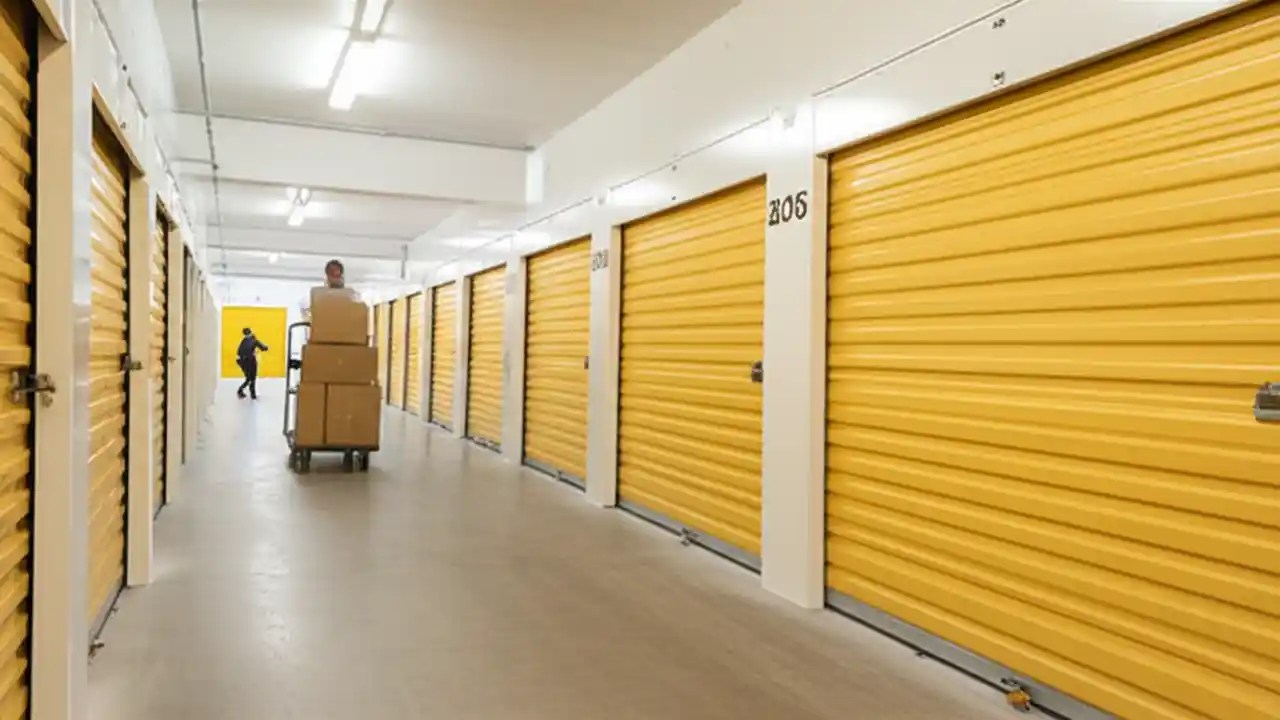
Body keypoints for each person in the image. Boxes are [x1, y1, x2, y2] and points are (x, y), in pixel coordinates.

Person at [236, 327, 268, 399]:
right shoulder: (254, 340)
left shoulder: (243, 341)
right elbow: (264, 348)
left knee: (249, 378)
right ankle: (251, 394)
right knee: (252, 378)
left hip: (242, 361)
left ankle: (242, 391)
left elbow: (238, 352)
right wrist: (265, 347)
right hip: (250, 361)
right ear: (251, 332)